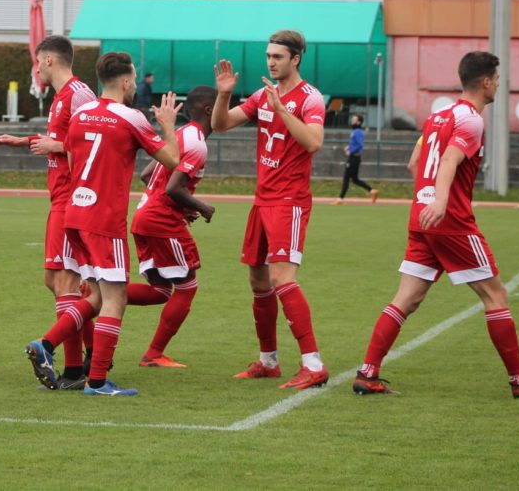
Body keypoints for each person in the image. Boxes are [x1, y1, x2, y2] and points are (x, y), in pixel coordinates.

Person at [352, 51, 519, 398]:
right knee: (496, 295)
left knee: (407, 298)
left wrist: (427, 198)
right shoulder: (471, 120)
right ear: (484, 82)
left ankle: (367, 373)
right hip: (449, 220)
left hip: (422, 220)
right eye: (496, 78)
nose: (498, 83)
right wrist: (440, 201)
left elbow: (414, 164)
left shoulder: (438, 117)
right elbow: (449, 160)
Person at [25, 51, 181, 396]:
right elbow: (171, 160)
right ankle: (96, 381)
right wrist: (168, 124)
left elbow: (69, 154)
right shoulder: (131, 117)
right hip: (104, 218)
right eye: (135, 80)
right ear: (126, 82)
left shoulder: (81, 114)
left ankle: (46, 345)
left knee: (95, 295)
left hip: (75, 214)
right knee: (116, 298)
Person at [211, 29, 330, 390]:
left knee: (282, 279)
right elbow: (220, 124)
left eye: (277, 57)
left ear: (295, 59)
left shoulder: (311, 98)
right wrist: (224, 94)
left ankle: (313, 363)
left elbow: (313, 142)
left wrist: (282, 111)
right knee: (258, 281)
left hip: (289, 201)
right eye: (268, 56)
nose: (271, 62)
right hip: (262, 200)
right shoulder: (264, 94)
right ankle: (269, 361)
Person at [0, 35, 96, 389]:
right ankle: (92, 355)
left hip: (73, 199)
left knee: (67, 282)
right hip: (59, 197)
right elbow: (65, 139)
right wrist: (24, 141)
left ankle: (76, 370)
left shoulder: (79, 94)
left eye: (37, 63)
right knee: (56, 281)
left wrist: (58, 145)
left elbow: (98, 142)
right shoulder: (60, 99)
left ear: (49, 60)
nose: (35, 70)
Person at [128, 85, 218, 368]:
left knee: (161, 290)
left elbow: (146, 174)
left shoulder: (179, 135)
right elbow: (173, 188)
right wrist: (202, 207)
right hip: (161, 221)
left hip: (143, 216)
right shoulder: (197, 143)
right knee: (188, 286)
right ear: (208, 110)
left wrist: (184, 206)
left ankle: (96, 294)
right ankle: (153, 354)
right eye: (223, 106)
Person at [333, 113, 378, 204]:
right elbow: (355, 144)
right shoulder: (356, 131)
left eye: (354, 120)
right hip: (354, 158)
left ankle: (340, 198)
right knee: (355, 179)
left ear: (358, 122)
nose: (352, 121)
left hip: (353, 158)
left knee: (346, 177)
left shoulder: (357, 132)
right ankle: (372, 190)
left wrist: (351, 151)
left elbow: (360, 145)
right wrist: (349, 147)